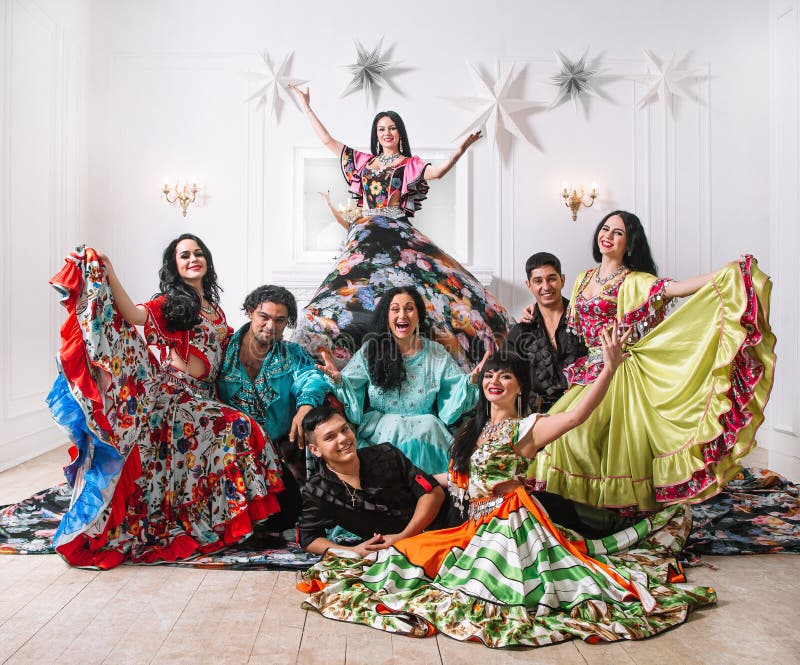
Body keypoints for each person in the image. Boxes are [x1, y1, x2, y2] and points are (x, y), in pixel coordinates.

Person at [298, 328, 716, 648]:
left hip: (510, 523)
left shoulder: (525, 429)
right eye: (491, 375)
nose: (495, 381)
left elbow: (574, 419)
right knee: (406, 561)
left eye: (506, 376)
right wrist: (421, 481)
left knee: (486, 593)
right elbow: (459, 480)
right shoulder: (474, 429)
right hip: (475, 522)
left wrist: (608, 368)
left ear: (519, 386)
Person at [47, 237, 285, 568]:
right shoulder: (173, 302)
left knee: (242, 428)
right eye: (184, 255)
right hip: (174, 398)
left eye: (198, 253)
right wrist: (111, 273)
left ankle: (229, 523)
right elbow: (133, 314)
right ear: (174, 265)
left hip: (204, 397)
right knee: (240, 428)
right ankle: (215, 525)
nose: (193, 259)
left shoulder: (213, 307)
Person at [527, 210, 776, 511]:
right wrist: (532, 309)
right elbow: (569, 312)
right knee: (562, 438)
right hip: (588, 371)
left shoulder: (635, 281)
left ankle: (613, 512)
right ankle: (576, 512)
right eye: (605, 229)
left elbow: (675, 289)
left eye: (618, 233)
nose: (608, 236)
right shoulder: (583, 279)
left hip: (619, 370)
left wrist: (722, 274)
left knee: (597, 444)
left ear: (629, 244)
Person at [288, 85, 513, 371]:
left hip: (395, 233)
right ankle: (339, 352)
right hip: (366, 234)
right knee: (346, 290)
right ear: (376, 134)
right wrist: (307, 106)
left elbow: (437, 173)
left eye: (392, 128)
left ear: (399, 133)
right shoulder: (363, 162)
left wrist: (460, 151)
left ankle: (457, 350)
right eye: (381, 129)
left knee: (432, 287)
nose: (386, 133)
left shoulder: (408, 164)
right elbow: (328, 141)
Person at [315, 286, 482, 475]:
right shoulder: (372, 350)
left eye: (409, 309)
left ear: (418, 315)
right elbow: (350, 385)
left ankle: (429, 491)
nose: (402, 315)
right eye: (395, 309)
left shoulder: (435, 352)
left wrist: (473, 380)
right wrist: (339, 380)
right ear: (386, 316)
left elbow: (455, 390)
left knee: (428, 426)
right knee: (396, 427)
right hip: (384, 428)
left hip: (427, 430)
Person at [216, 284, 330, 528]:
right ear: (249, 312)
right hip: (230, 452)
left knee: (286, 516)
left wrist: (305, 406)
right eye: (264, 317)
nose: (271, 326)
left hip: (279, 452)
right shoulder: (222, 351)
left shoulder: (292, 354)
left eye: (280, 320)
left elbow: (312, 378)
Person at [297, 404, 451, 556]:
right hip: (395, 553)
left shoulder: (386, 454)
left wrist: (403, 537)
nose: (343, 439)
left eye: (344, 429)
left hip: (443, 527)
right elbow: (309, 538)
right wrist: (353, 551)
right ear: (315, 450)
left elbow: (433, 492)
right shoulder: (318, 490)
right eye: (330, 437)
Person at [507, 251, 587, 412]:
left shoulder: (584, 320)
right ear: (529, 285)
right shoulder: (521, 332)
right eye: (538, 281)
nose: (546, 286)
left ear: (562, 280)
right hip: (538, 419)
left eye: (551, 279)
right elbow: (505, 373)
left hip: (583, 411)